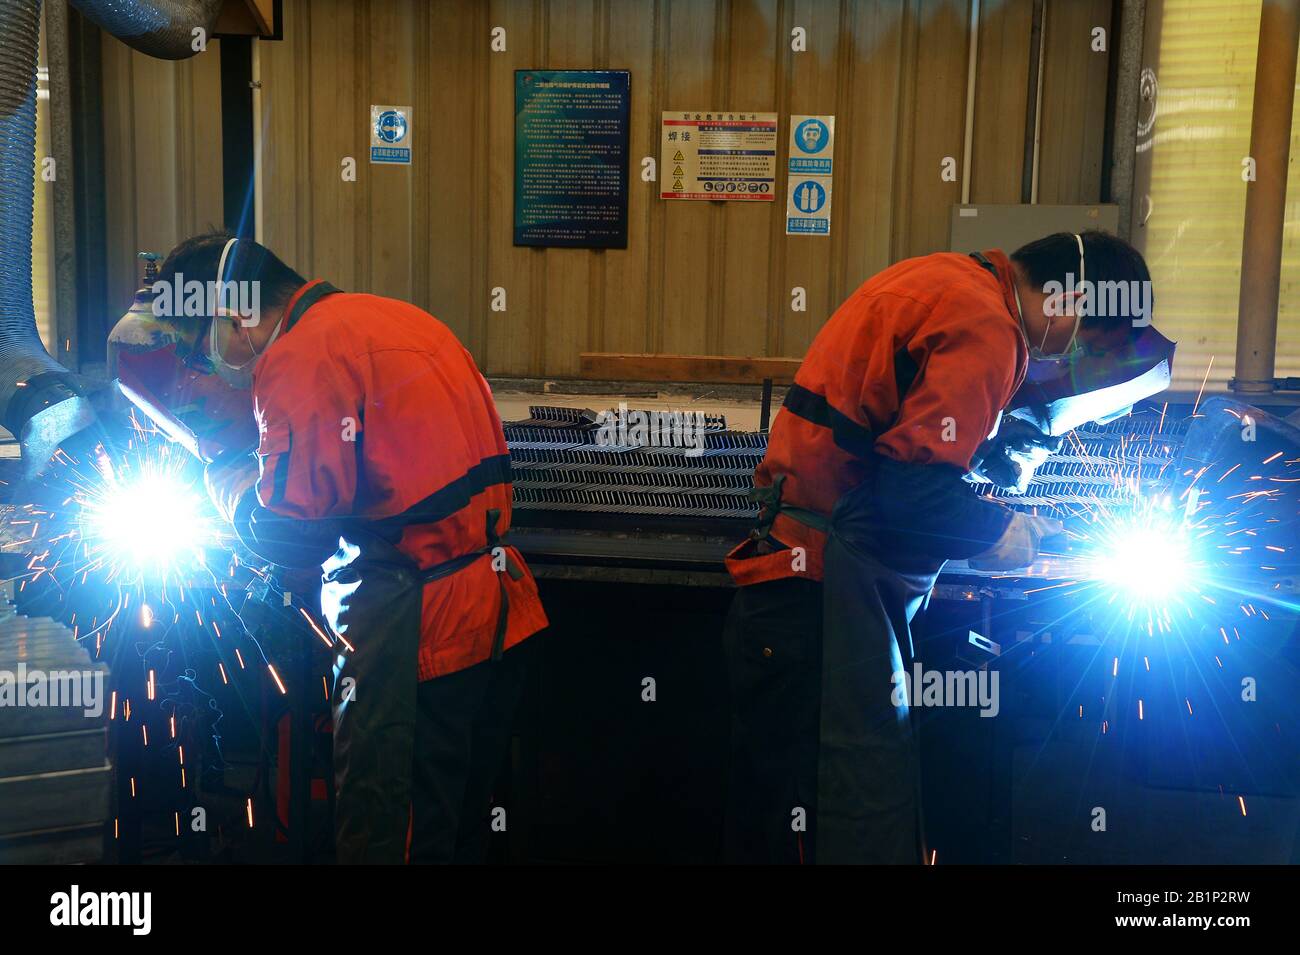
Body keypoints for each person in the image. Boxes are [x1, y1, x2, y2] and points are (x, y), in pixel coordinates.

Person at [723, 230, 1162, 864]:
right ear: (1070, 303)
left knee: (777, 811)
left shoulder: (945, 279)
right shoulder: (989, 326)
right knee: (825, 812)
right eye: (1090, 345)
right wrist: (997, 533)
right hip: (818, 597)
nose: (1070, 362)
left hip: (790, 589)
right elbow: (912, 494)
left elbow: (901, 455)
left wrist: (992, 505)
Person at [131, 232, 548, 863]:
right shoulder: (387, 317)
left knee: (391, 834)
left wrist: (223, 479)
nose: (199, 370)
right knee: (458, 829)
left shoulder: (300, 357)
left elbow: (292, 535)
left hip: (415, 635)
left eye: (197, 349)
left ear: (234, 318)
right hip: (492, 615)